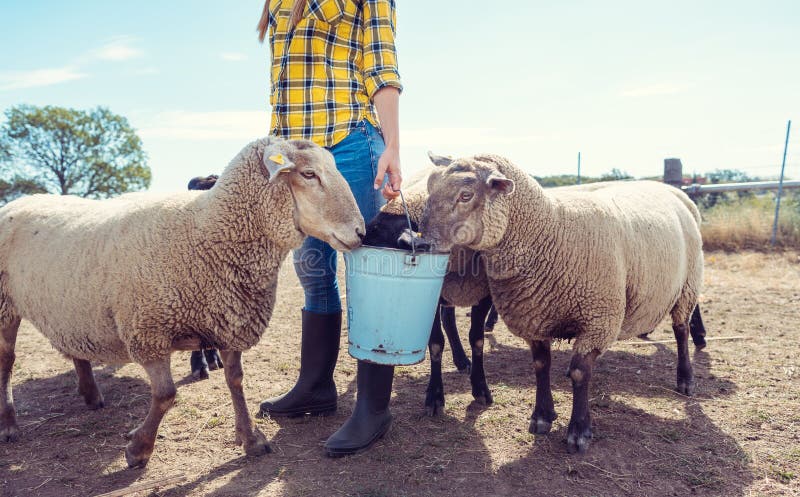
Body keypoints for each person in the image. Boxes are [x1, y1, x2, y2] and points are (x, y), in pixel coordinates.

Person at [256, 0, 402, 457]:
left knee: (368, 277)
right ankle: (316, 388)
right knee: (313, 272)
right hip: (297, 157)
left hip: (349, 143)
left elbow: (382, 66)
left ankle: (373, 408)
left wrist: (393, 145)